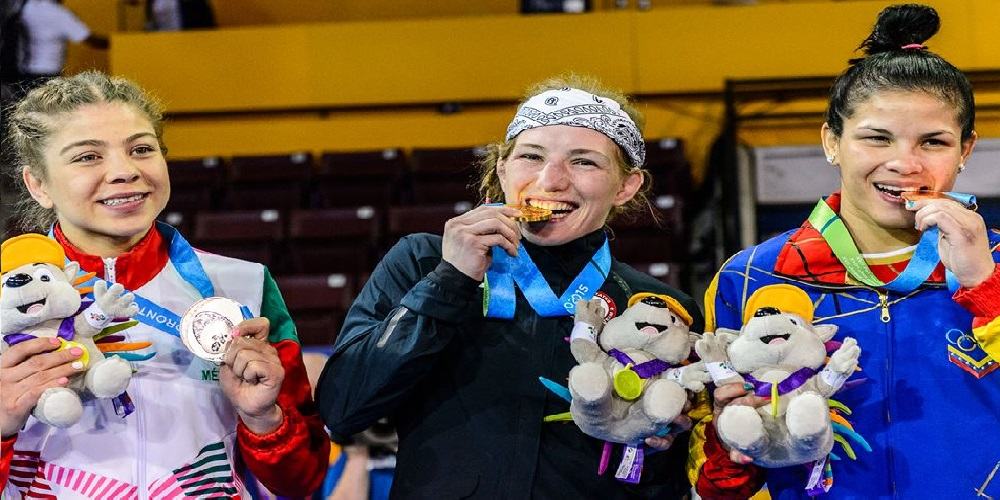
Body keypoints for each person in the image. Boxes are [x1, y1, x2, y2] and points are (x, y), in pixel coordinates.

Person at [316, 74, 703, 498]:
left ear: (627, 186)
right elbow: (344, 409)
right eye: (531, 156)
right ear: (502, 169)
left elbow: (669, 472)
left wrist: (664, 440)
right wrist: (450, 280)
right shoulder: (423, 261)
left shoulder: (654, 307)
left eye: (584, 161)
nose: (551, 180)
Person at [689, 4, 1000, 499]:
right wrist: (734, 446)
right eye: (876, 138)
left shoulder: (996, 264)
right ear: (832, 141)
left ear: (965, 150)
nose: (905, 163)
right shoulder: (752, 277)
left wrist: (987, 289)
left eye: (934, 142)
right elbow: (715, 477)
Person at [0, 71, 329, 497]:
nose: (124, 171)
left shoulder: (242, 286)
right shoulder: (8, 300)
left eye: (141, 149)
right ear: (38, 185)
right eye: (87, 157)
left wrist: (264, 419)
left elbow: (302, 480)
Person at [10, 0, 108, 87]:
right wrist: (118, 43)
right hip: (47, 75)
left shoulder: (26, 7)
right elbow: (91, 41)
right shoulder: (57, 13)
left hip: (24, 72)